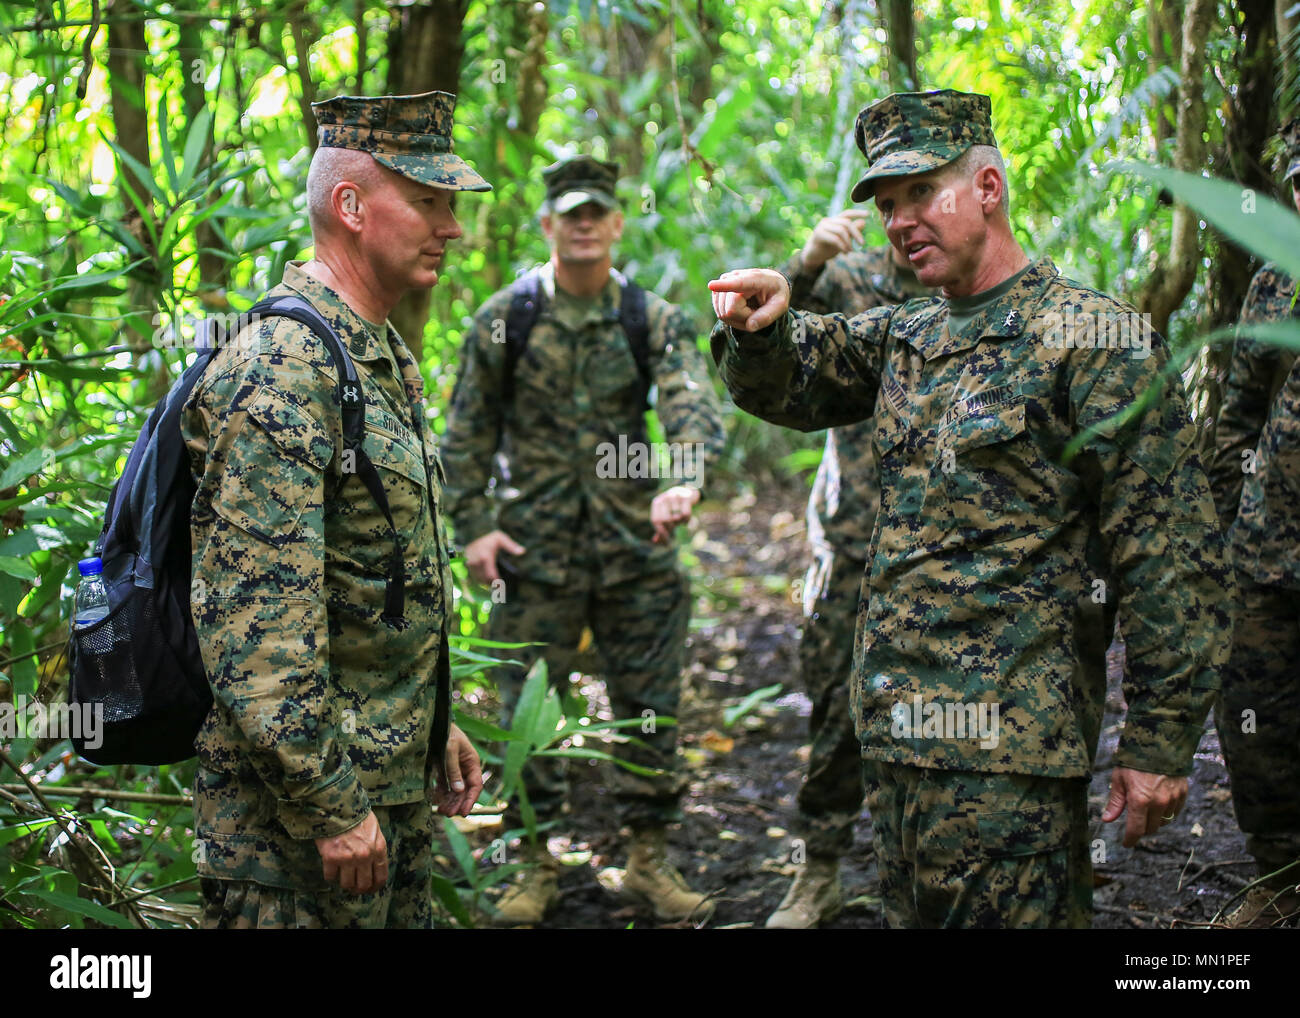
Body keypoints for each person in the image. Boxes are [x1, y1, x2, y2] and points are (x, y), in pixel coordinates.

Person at [708, 89, 1234, 928]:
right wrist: (767, 316)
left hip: (1007, 758)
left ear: (987, 188)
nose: (900, 220)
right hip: (894, 739)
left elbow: (1169, 551)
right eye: (886, 205)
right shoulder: (909, 337)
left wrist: (1161, 743)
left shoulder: (1092, 340)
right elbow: (794, 376)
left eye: (922, 192)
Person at [182, 91, 487, 929]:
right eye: (428, 202)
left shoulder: (374, 350)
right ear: (351, 206)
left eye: (451, 206)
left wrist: (429, 727)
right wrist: (328, 803)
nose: (450, 227)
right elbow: (257, 621)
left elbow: (373, 573)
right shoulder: (285, 364)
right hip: (295, 838)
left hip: (383, 794)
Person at [440, 154, 725, 925]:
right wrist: (474, 529)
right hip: (533, 555)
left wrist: (684, 477)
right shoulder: (508, 317)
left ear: (618, 223)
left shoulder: (651, 319)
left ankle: (646, 860)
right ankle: (534, 862)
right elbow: (465, 432)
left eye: (598, 211)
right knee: (527, 709)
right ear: (548, 227)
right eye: (572, 214)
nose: (586, 225)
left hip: (636, 545)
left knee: (649, 706)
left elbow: (691, 406)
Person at [768, 227, 933, 928]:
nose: (909, 216)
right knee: (838, 707)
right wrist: (806, 260)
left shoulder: (972, 284)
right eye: (894, 200)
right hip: (850, 540)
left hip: (942, 549)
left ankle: (928, 877)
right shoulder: (848, 277)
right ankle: (820, 871)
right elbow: (774, 333)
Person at [1207, 116, 1300, 927]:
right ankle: (1279, 873)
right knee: (1255, 708)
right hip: (1268, 548)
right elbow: (1240, 408)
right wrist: (1225, 524)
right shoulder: (1277, 277)